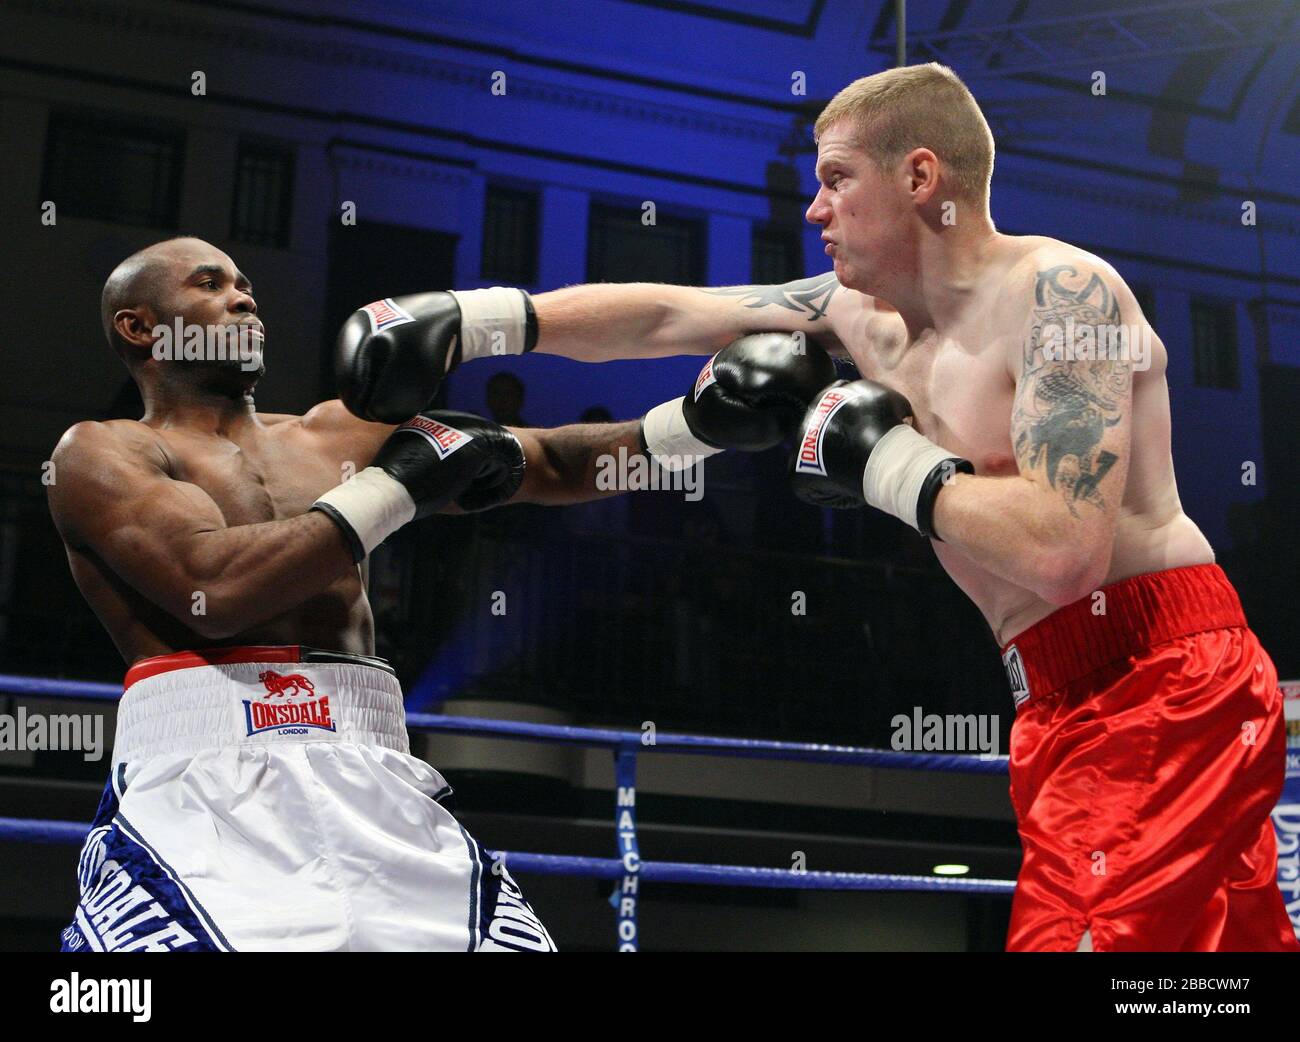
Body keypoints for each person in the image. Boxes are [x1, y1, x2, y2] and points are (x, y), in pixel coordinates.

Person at [346, 64, 1299, 952]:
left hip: (1162, 675)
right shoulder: (859, 318)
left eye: (838, 179)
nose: (816, 208)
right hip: (1050, 693)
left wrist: (885, 460)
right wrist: (475, 321)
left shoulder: (1061, 296)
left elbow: (1062, 554)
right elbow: (674, 314)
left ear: (921, 175)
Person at [51, 237, 831, 951]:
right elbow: (211, 590)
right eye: (211, 283)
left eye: (247, 283)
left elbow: (547, 462)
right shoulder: (100, 452)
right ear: (140, 326)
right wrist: (394, 490)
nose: (245, 297)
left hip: (373, 769)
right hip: (205, 795)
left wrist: (695, 427)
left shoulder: (337, 435)